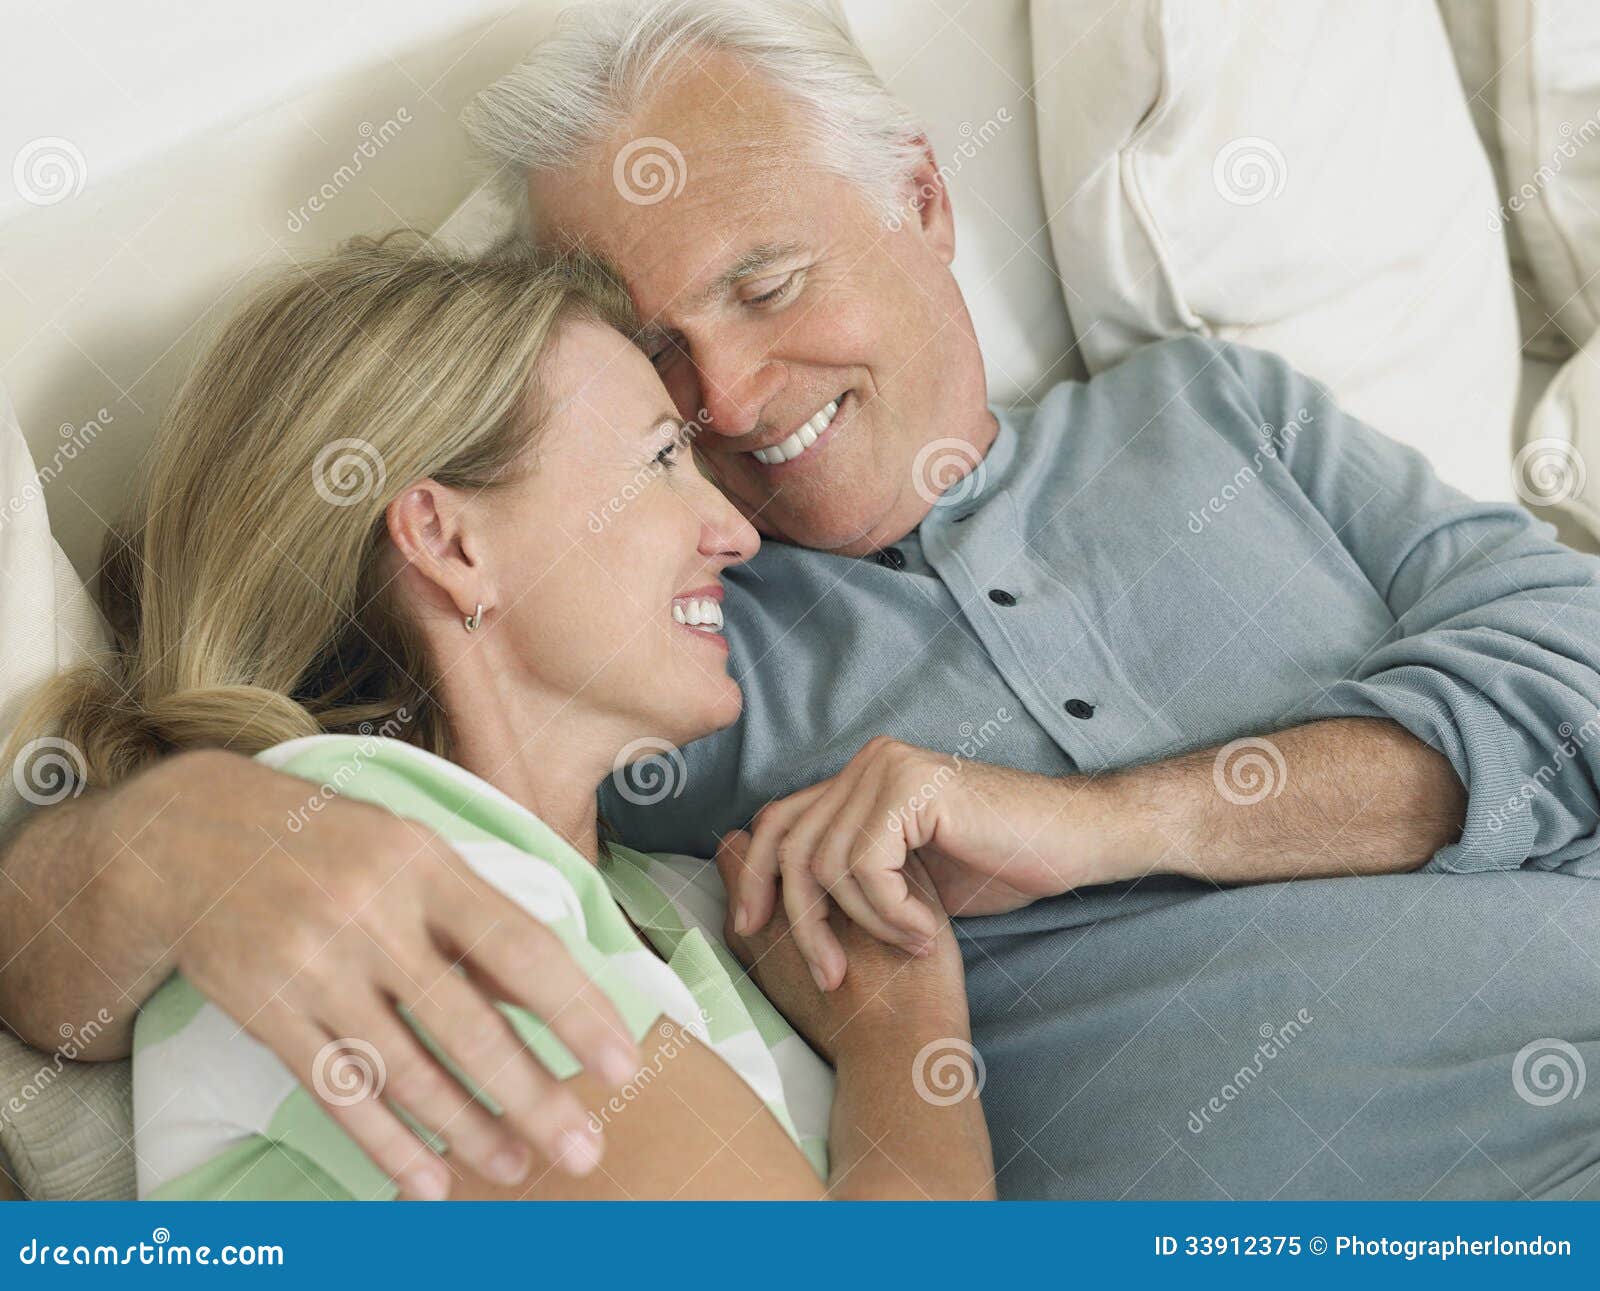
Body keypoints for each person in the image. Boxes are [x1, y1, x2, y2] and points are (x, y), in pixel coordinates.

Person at [4, 0, 1600, 1201]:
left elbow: (1576, 667)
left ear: (922, 200)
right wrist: (165, 842)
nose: (738, 397)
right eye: (657, 381)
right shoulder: (659, 662)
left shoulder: (1219, 413)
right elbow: (206, 863)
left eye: (765, 287)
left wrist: (1118, 820)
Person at [2, 235, 993, 1200]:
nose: (736, 532)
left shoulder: (673, 901)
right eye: (660, 460)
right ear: (448, 542)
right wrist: (904, 1039)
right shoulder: (351, 853)